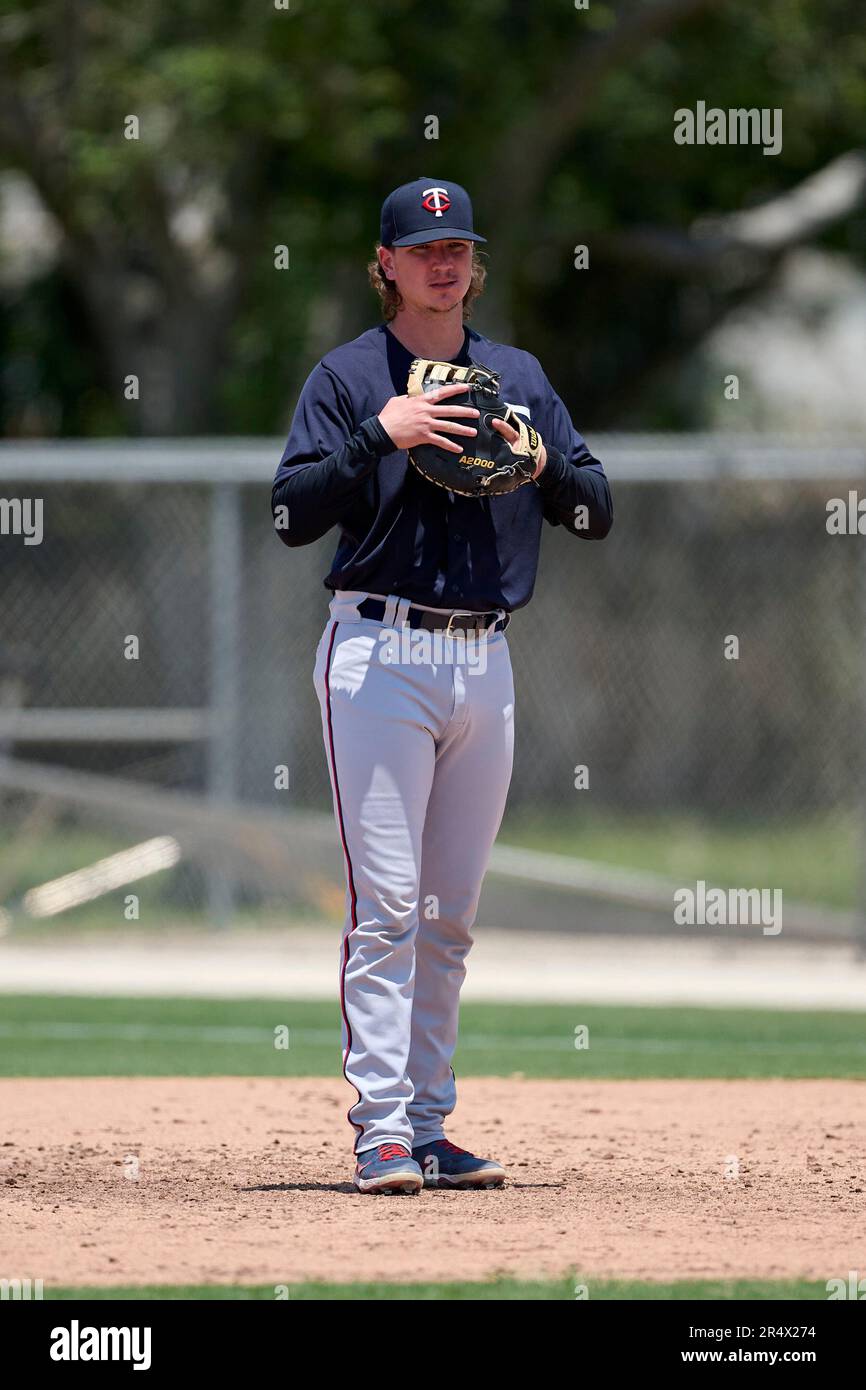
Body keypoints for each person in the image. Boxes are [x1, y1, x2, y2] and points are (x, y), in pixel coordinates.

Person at [272, 176, 612, 1195]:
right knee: (385, 907)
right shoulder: (347, 375)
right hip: (379, 654)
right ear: (385, 265)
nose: (442, 262)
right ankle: (378, 1129)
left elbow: (594, 508)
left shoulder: (514, 375)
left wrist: (544, 460)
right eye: (421, 249)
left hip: (483, 659)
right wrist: (384, 433)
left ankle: (427, 1124)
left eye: (456, 246)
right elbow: (289, 514)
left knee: (447, 912)